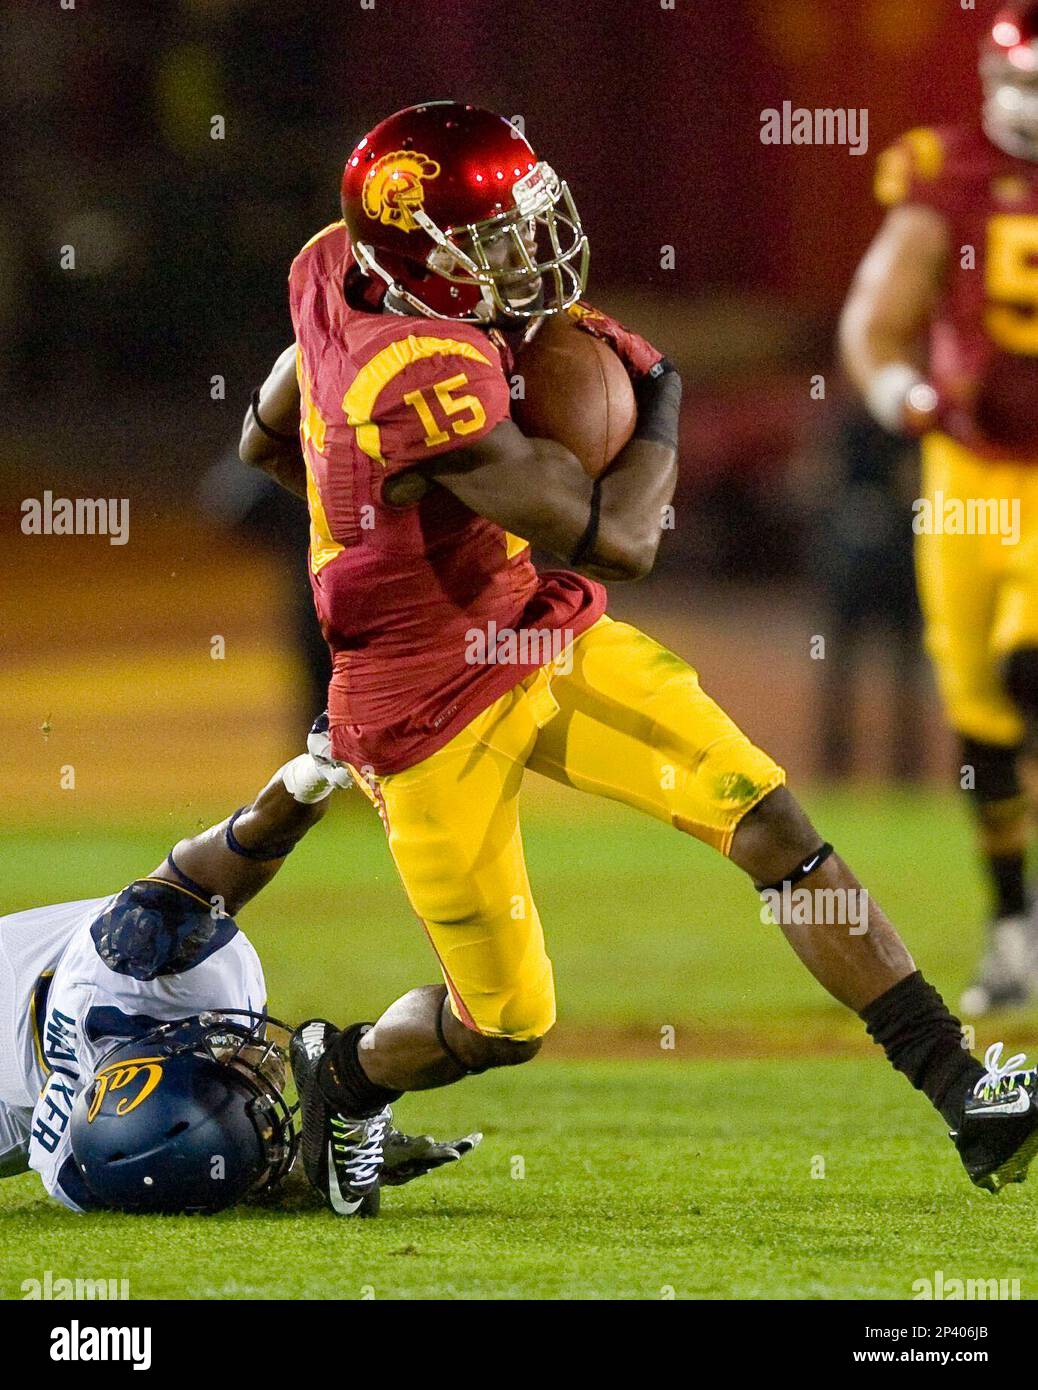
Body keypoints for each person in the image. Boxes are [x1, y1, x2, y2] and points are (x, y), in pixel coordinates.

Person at [242, 101, 1038, 1218]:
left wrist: (360, 518)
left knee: (769, 822)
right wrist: (661, 402)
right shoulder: (416, 370)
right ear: (419, 253)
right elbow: (621, 540)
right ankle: (348, 1072)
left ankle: (964, 1094)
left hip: (535, 630)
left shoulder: (336, 260)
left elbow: (264, 435)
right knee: (504, 1021)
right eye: (494, 238)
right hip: (424, 703)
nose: (526, 252)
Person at [0, 726, 479, 1214]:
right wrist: (333, 1147)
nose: (266, 1073)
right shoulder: (90, 1161)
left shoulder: (139, 963)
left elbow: (229, 856)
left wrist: (313, 775)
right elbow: (183, 1168)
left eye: (232, 1078)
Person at [841, 1, 1038, 1014]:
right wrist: (900, 392)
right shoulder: (946, 173)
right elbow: (875, 319)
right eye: (1021, 84)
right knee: (980, 713)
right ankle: (1014, 927)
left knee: (1030, 665)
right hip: (966, 472)